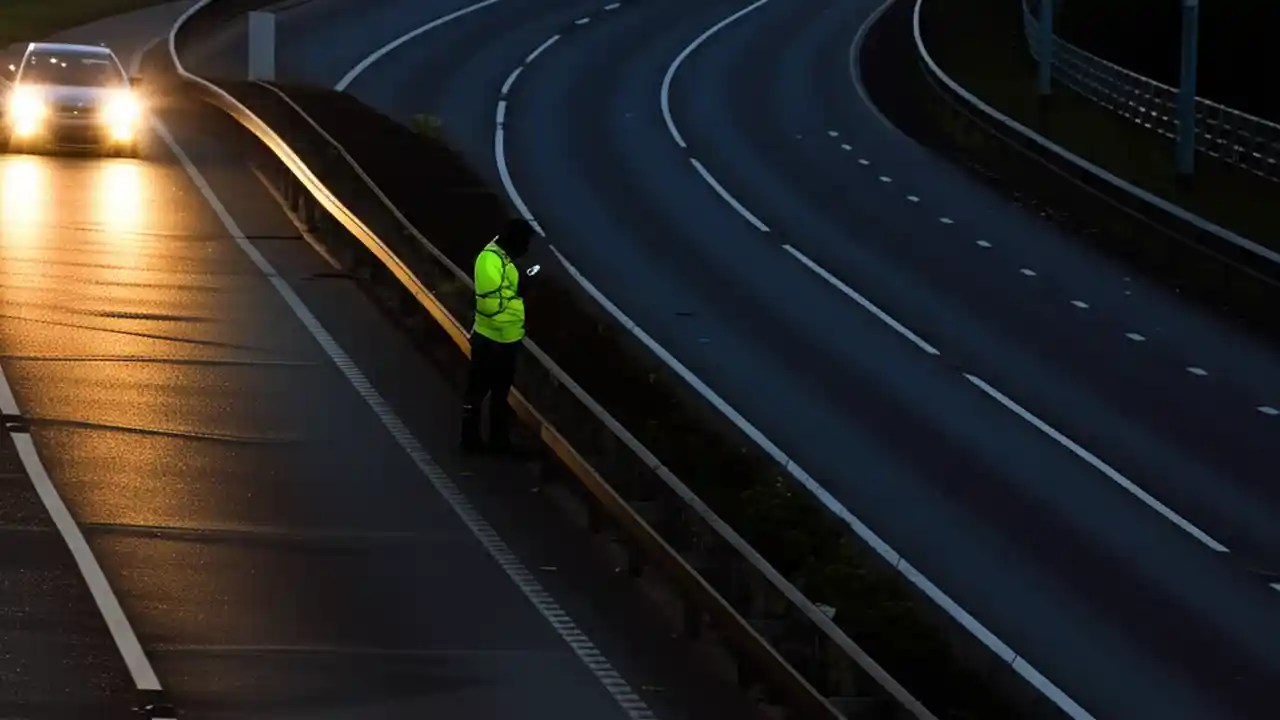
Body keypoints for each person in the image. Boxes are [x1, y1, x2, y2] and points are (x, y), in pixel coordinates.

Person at [461, 218, 534, 453]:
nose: (526, 249)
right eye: (524, 243)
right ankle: (470, 439)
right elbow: (491, 304)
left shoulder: (504, 259)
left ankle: (498, 440)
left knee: (500, 394)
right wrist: (520, 296)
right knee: (478, 391)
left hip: (507, 339)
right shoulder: (490, 259)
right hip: (491, 339)